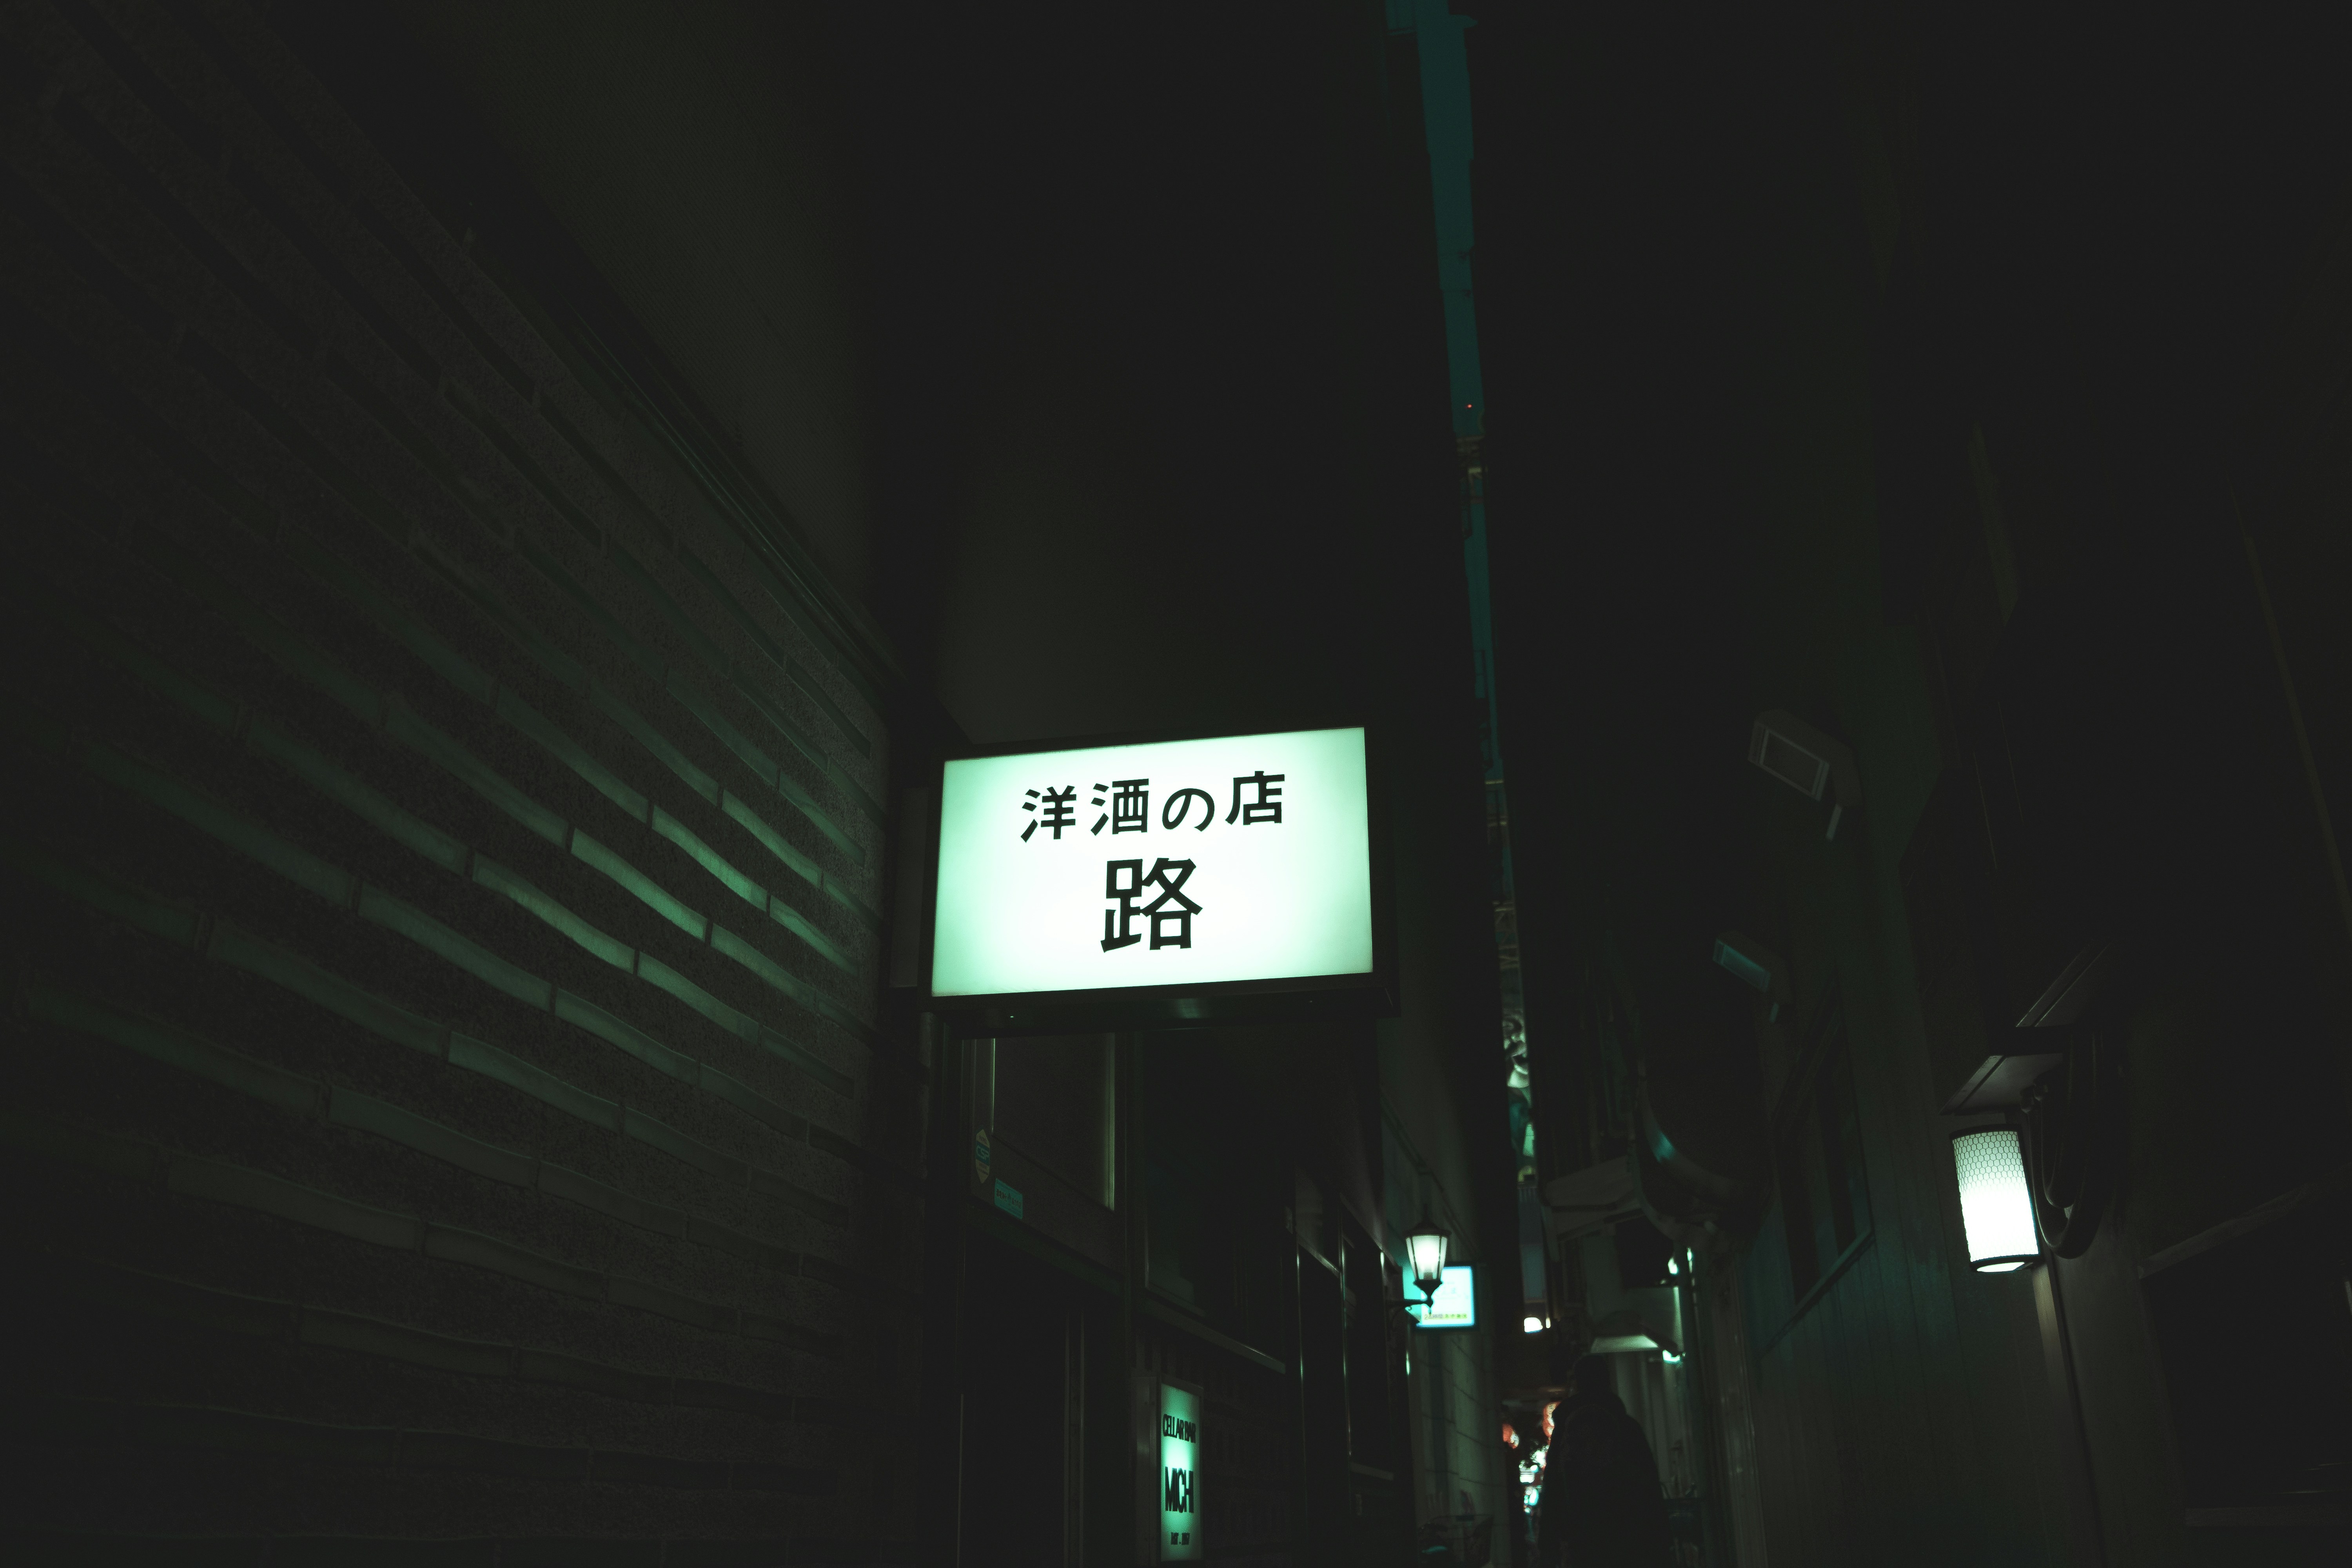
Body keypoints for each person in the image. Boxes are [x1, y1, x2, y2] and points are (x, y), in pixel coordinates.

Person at [1535, 1354, 1673, 1567]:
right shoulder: (1627, 1427)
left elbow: (1553, 1485)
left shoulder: (1566, 1431)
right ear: (1607, 1381)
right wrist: (1660, 1540)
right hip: (1629, 1534)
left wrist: (1549, 1545)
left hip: (1581, 1537)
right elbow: (1648, 1483)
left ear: (1577, 1384)